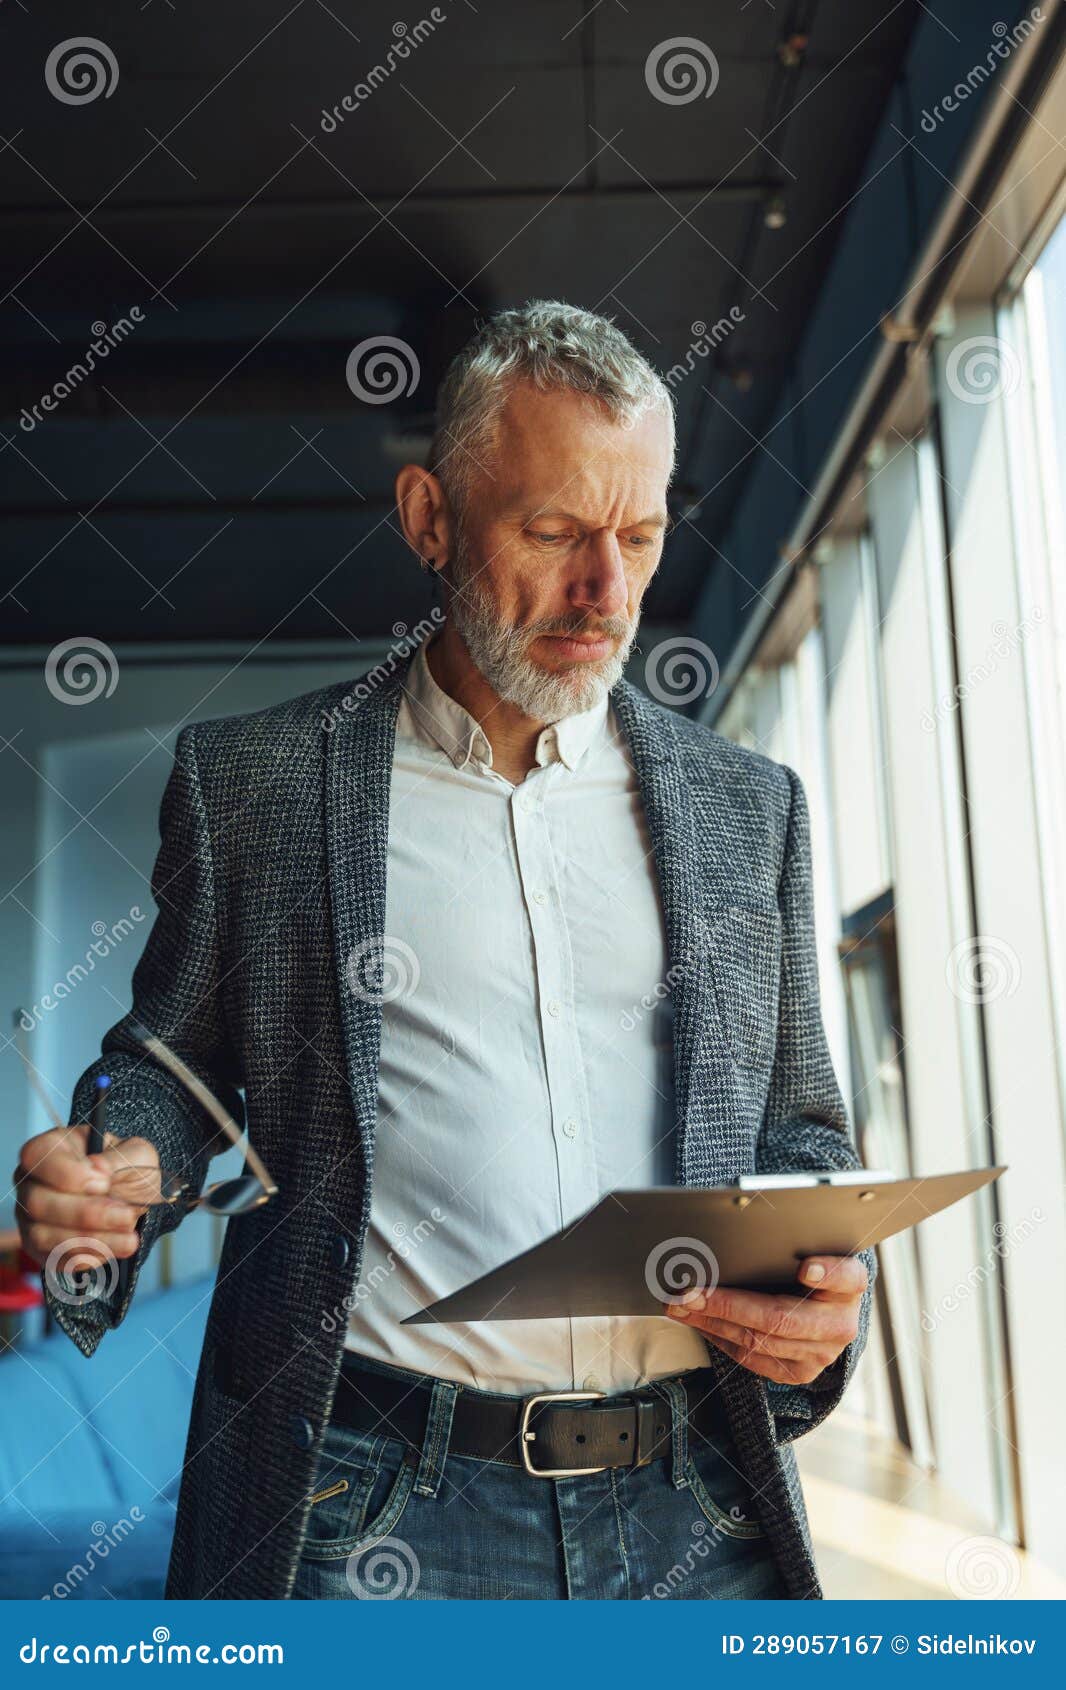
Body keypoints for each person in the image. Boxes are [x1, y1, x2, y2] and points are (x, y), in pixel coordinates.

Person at [15, 300, 872, 1600]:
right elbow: (167, 1070)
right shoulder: (257, 786)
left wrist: (819, 1284)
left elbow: (796, 1135)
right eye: (553, 533)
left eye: (637, 536)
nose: (605, 590)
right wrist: (113, 1163)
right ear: (429, 518)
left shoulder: (748, 808)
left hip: (700, 1501)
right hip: (371, 1498)